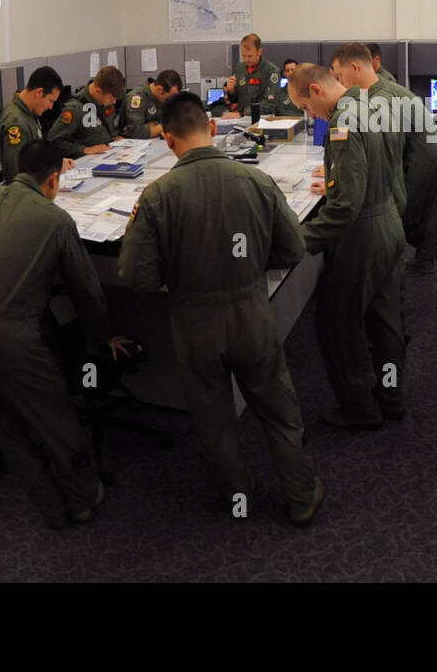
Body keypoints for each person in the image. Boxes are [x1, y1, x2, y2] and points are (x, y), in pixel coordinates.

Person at [119, 94, 322, 525]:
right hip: (251, 312)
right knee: (279, 410)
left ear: (168, 140)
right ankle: (302, 497)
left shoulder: (156, 197)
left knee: (213, 420)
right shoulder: (255, 181)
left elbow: (136, 277)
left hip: (195, 325)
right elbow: (293, 248)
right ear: (211, 129)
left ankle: (237, 499)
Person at [0, 139, 127, 529]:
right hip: (13, 343)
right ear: (53, 180)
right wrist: (103, 339)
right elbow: (87, 293)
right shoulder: (56, 221)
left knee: (9, 432)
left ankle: (49, 508)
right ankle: (82, 502)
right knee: (57, 423)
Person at [288, 64, 406, 430]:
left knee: (338, 323)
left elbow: (345, 209)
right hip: (388, 220)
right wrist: (339, 183)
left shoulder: (343, 124)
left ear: (317, 91)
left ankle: (359, 409)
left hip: (362, 237)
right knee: (386, 323)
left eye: (306, 107)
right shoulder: (370, 104)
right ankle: (391, 396)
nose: (311, 115)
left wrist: (299, 240)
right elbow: (378, 168)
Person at [331, 42, 437, 276]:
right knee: (428, 206)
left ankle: (396, 262)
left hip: (423, 155)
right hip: (429, 148)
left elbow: (385, 148)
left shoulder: (381, 97)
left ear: (354, 68)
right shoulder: (380, 89)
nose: (340, 83)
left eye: (340, 76)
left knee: (406, 206)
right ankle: (426, 257)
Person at [0, 65, 70, 181]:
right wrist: (50, 171)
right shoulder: (16, 123)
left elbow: (33, 158)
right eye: (50, 101)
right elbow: (17, 174)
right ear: (39, 92)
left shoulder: (29, 111)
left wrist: (53, 164)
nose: (51, 107)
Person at [47, 66, 126, 158]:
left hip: (107, 155)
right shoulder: (75, 109)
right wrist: (84, 150)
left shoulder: (102, 102)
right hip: (84, 163)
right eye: (111, 98)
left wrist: (114, 138)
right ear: (98, 91)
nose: (114, 102)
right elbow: (54, 141)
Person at [223, 33, 282, 118]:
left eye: (250, 56)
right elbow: (235, 99)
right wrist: (231, 90)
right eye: (243, 56)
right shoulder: (239, 68)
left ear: (259, 52)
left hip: (263, 119)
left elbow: (269, 104)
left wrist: (243, 113)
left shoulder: (271, 71)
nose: (246, 59)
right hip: (240, 119)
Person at [123, 69, 182, 139]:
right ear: (160, 89)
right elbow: (136, 131)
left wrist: (154, 127)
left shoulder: (160, 98)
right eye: (169, 97)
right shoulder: (136, 98)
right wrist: (165, 127)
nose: (170, 101)